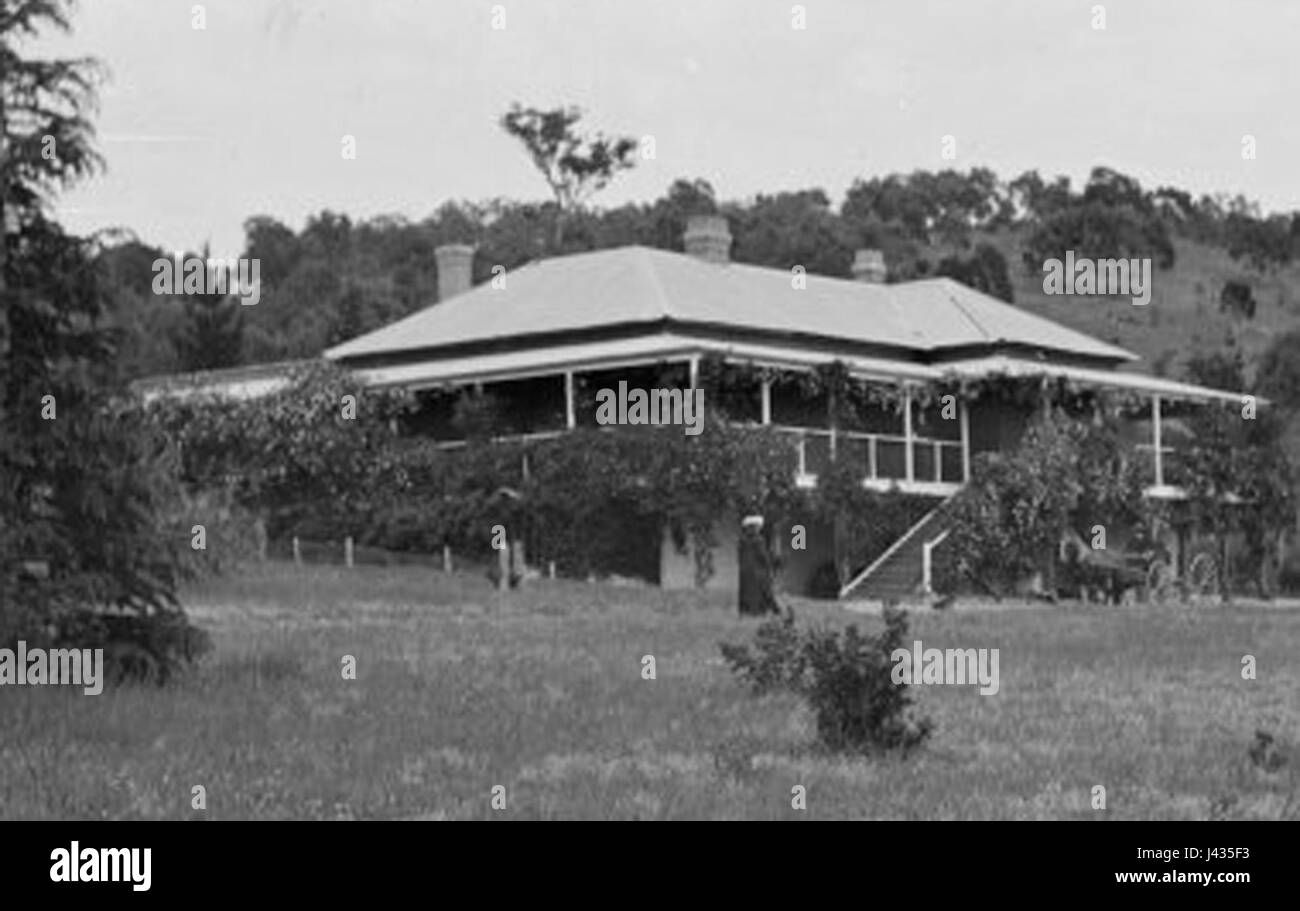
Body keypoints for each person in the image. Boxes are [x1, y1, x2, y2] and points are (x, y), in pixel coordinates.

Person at [738, 515, 780, 617]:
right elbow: (763, 556)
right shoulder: (759, 540)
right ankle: (773, 611)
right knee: (765, 591)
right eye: (757, 527)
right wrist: (771, 565)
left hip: (745, 571)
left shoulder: (742, 541)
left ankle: (746, 611)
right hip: (758, 572)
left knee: (746, 592)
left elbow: (739, 557)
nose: (758, 529)